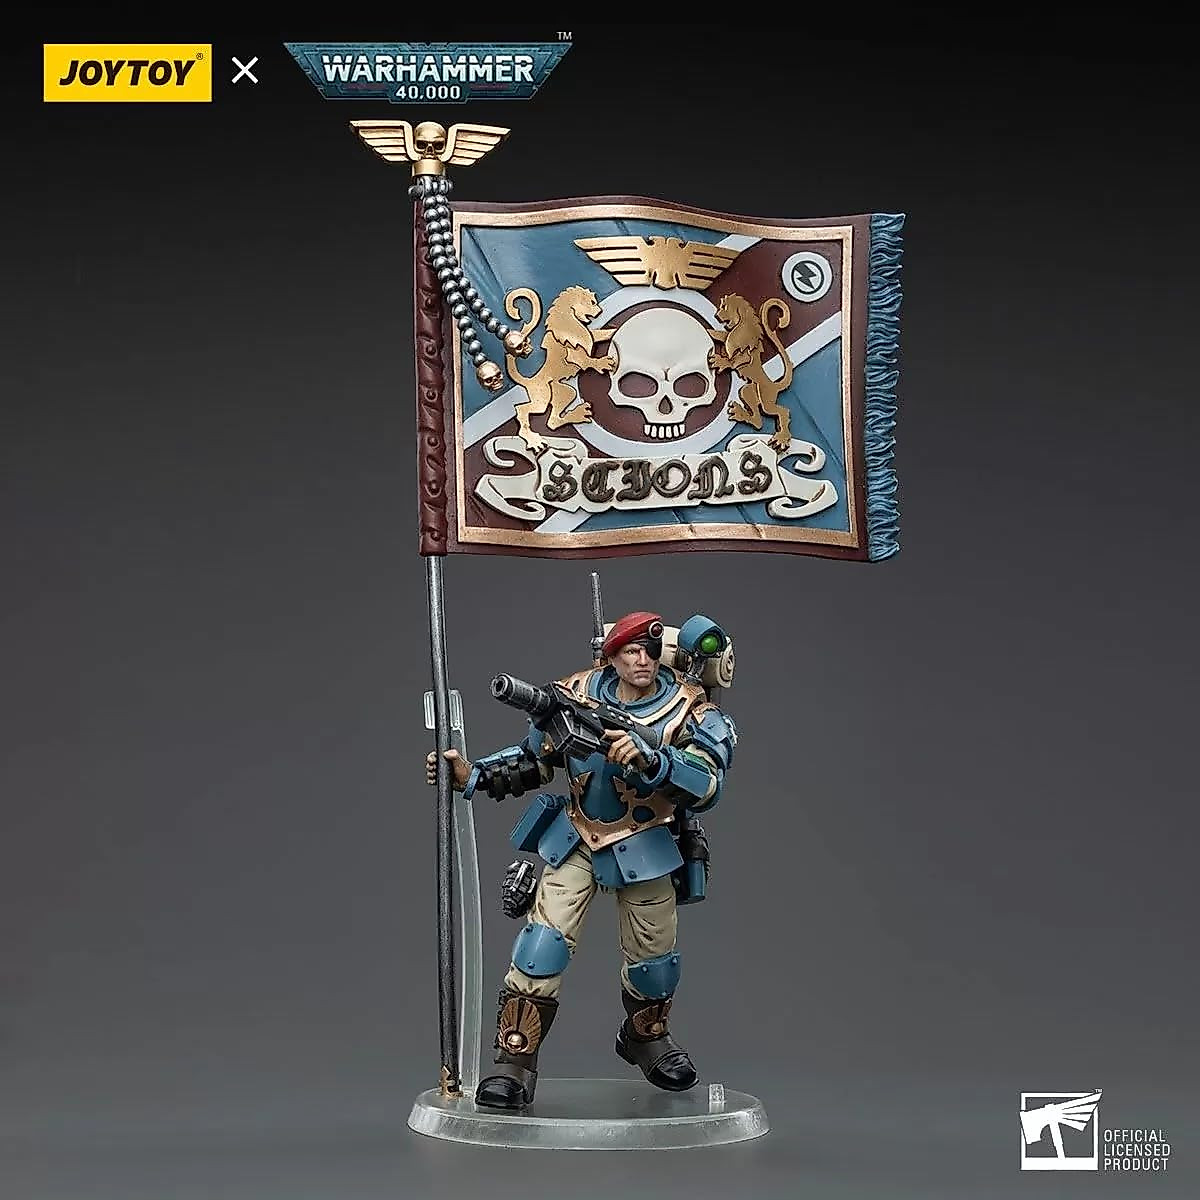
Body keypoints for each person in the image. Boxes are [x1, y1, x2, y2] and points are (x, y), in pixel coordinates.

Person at [425, 611, 736, 1110]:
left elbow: (708, 781)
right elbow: (535, 759)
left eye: (650, 650)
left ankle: (647, 1037)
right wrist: (474, 774)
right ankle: (514, 1059)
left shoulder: (689, 708)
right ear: (610, 655)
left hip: (647, 840)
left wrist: (654, 760)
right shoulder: (577, 694)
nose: (642, 660)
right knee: (541, 946)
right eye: (630, 650)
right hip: (578, 837)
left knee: (654, 959)